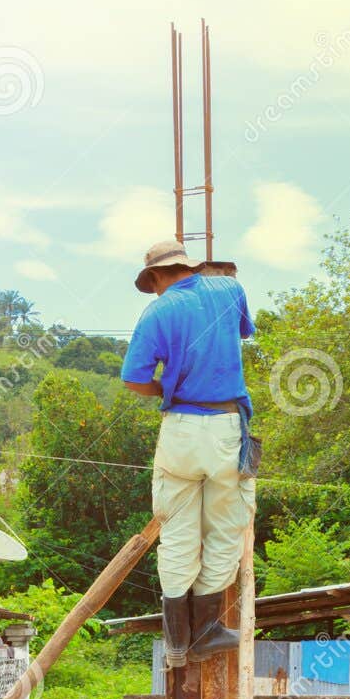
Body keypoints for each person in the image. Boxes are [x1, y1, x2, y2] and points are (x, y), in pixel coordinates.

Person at [121, 238, 258, 668]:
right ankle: (207, 631)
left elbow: (134, 380)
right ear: (189, 266)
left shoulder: (157, 312)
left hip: (180, 430)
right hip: (225, 429)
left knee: (178, 535)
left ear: (158, 276)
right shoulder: (229, 291)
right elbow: (239, 331)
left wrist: (169, 386)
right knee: (225, 528)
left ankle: (177, 644)